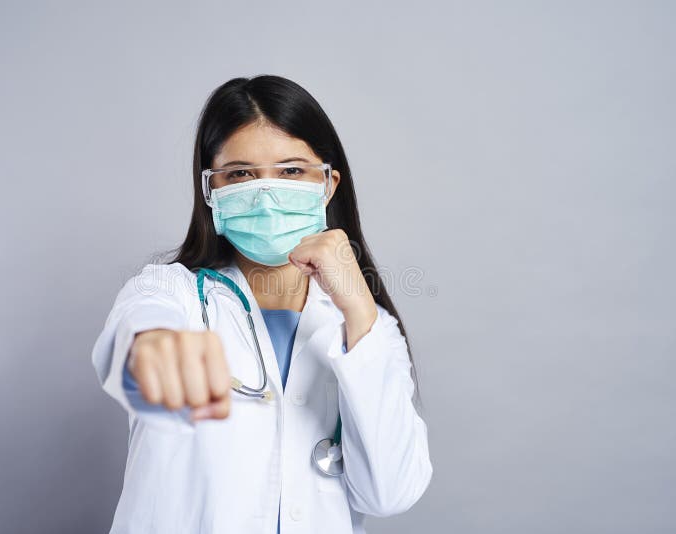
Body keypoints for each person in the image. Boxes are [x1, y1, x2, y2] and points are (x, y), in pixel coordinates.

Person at [91, 74, 433, 534]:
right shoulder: (167, 294)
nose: (267, 195)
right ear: (212, 189)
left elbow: (390, 494)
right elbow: (140, 362)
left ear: (328, 185)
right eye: (241, 174)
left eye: (291, 171)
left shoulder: (363, 328)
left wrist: (358, 308)